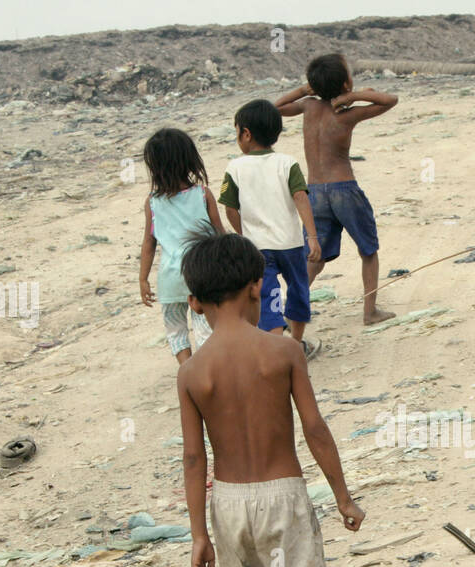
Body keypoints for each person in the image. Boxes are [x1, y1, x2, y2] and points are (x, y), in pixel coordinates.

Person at [177, 230, 365, 567]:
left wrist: (197, 534)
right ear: (256, 287)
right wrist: (343, 495)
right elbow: (314, 429)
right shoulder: (281, 351)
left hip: (227, 503)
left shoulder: (192, 372)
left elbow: (193, 458)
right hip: (282, 492)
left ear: (194, 301)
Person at [275, 53, 398, 326]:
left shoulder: (307, 106)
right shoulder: (346, 114)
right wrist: (353, 97)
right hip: (344, 189)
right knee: (368, 250)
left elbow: (276, 107)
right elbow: (390, 100)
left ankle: (291, 311)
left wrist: (303, 91)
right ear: (345, 84)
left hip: (315, 192)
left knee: (316, 258)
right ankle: (370, 312)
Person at [219, 99, 323, 359]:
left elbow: (230, 209)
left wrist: (243, 235)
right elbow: (301, 198)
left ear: (246, 134)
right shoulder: (287, 163)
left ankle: (275, 349)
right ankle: (296, 344)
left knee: (269, 296)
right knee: (299, 291)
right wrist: (312, 236)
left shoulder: (235, 167)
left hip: (258, 248)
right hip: (291, 243)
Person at [139, 127, 225, 364]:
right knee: (205, 328)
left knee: (176, 330)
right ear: (189, 161)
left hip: (169, 278)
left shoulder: (153, 202)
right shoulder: (202, 195)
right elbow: (220, 234)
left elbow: (149, 243)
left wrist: (143, 279)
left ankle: (188, 372)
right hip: (201, 274)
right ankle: (211, 373)